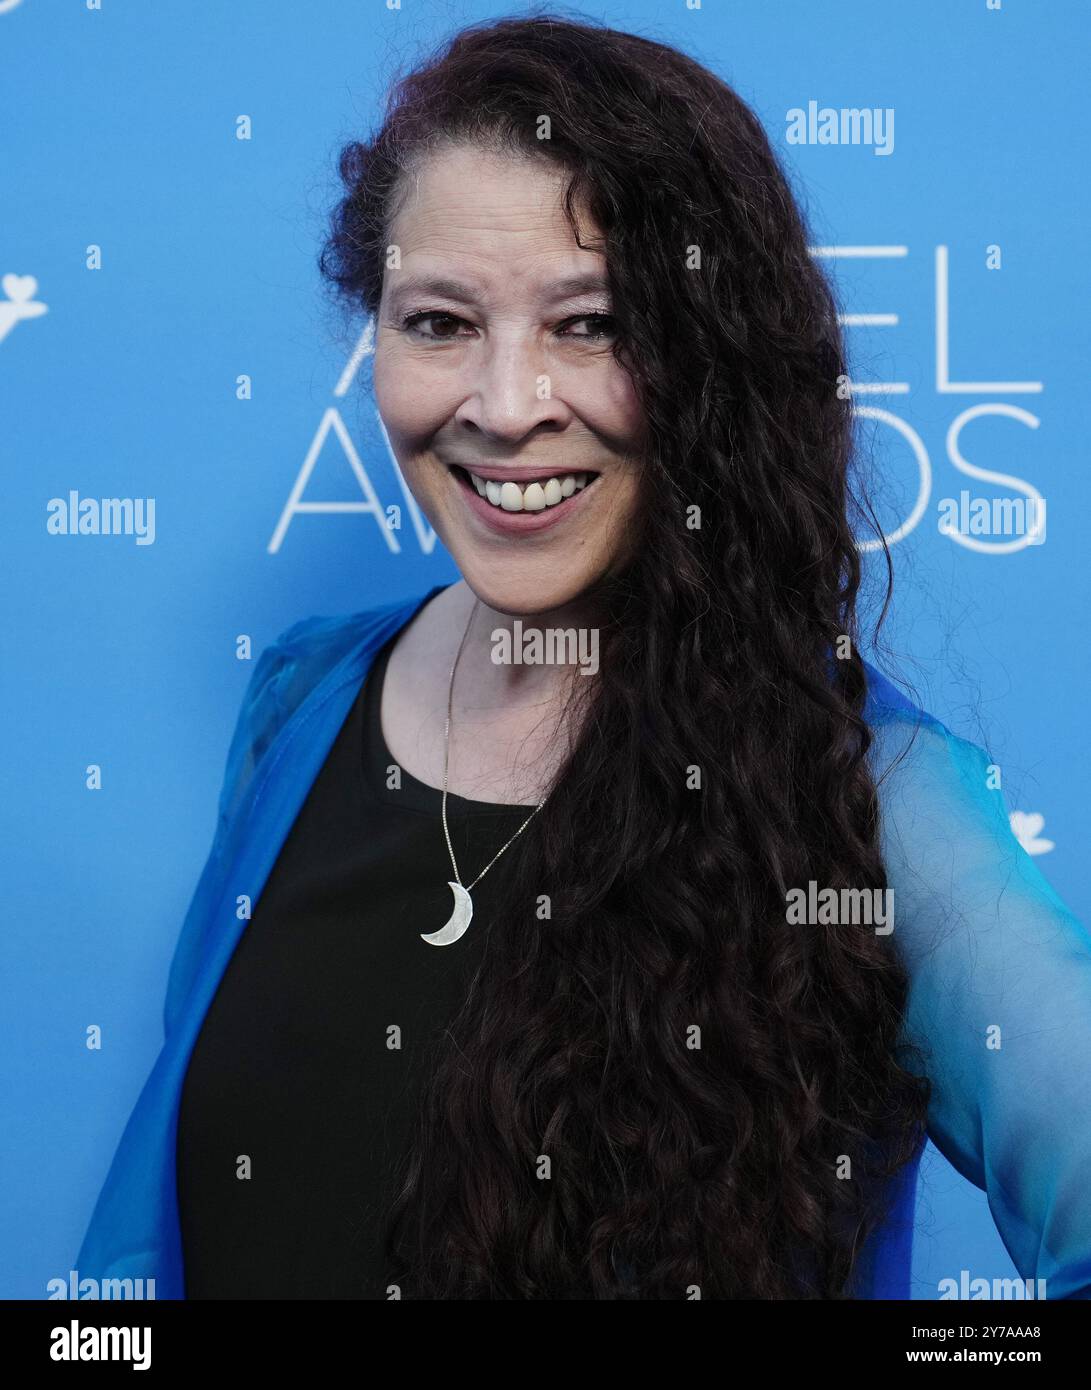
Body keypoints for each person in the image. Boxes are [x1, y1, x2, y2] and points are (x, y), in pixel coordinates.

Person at [76, 14, 1091, 1300]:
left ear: (707, 358)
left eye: (592, 324)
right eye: (438, 322)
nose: (504, 408)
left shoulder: (868, 803)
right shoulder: (299, 700)